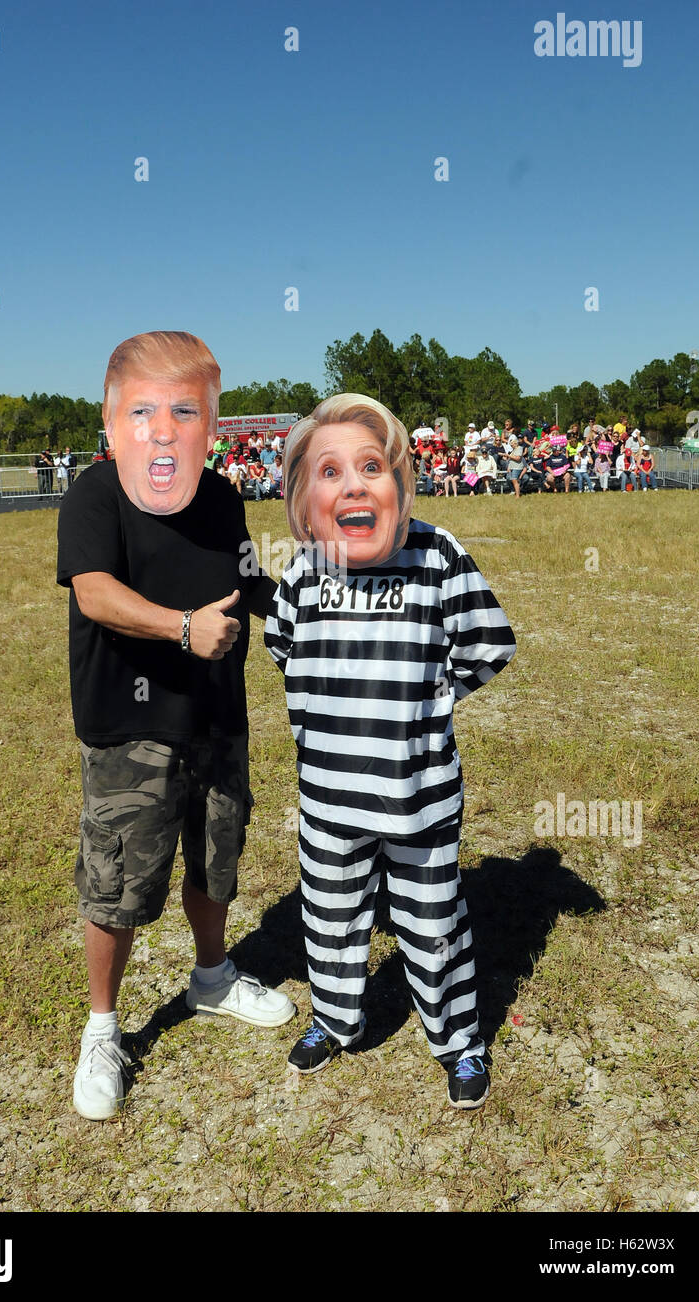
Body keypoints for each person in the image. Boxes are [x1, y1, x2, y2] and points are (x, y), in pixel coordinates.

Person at [57, 331, 295, 1122]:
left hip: (218, 716)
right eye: (145, 409)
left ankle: (213, 976)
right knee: (117, 882)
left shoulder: (221, 494)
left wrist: (305, 609)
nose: (164, 429)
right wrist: (179, 628)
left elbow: (247, 581)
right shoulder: (96, 493)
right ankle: (101, 1028)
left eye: (185, 410)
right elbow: (93, 590)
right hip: (131, 726)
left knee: (216, 860)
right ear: (112, 415)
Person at [264, 394, 516, 1108]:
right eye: (329, 471)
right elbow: (282, 645)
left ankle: (459, 1039)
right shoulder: (302, 573)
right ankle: (335, 1020)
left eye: (371, 467)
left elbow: (486, 647)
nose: (351, 484)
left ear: (401, 485)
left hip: (419, 797)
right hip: (328, 800)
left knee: (432, 923)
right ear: (302, 502)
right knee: (330, 916)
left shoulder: (436, 556)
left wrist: (422, 705)